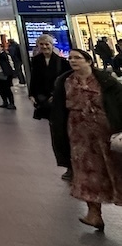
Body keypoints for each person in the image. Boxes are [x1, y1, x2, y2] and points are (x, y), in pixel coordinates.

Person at [50, 48, 122, 232]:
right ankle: (94, 214)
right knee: (86, 173)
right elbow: (58, 109)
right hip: (79, 137)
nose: (73, 61)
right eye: (71, 58)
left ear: (88, 61)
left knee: (115, 170)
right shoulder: (65, 82)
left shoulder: (105, 81)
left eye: (77, 58)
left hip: (107, 134)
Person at [29, 34, 73, 178]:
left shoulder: (62, 62)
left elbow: (66, 81)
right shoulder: (36, 61)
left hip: (60, 102)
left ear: (52, 45)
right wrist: (32, 94)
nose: (44, 47)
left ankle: (73, 165)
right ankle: (67, 165)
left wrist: (57, 95)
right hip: (45, 102)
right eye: (41, 44)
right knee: (57, 134)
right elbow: (34, 79)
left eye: (47, 44)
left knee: (65, 133)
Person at [0, 43, 17, 110]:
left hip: (5, 74)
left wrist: (12, 71)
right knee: (0, 89)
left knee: (7, 89)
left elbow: (5, 59)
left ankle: (11, 103)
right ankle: (5, 102)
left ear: (1, 47)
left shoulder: (5, 54)